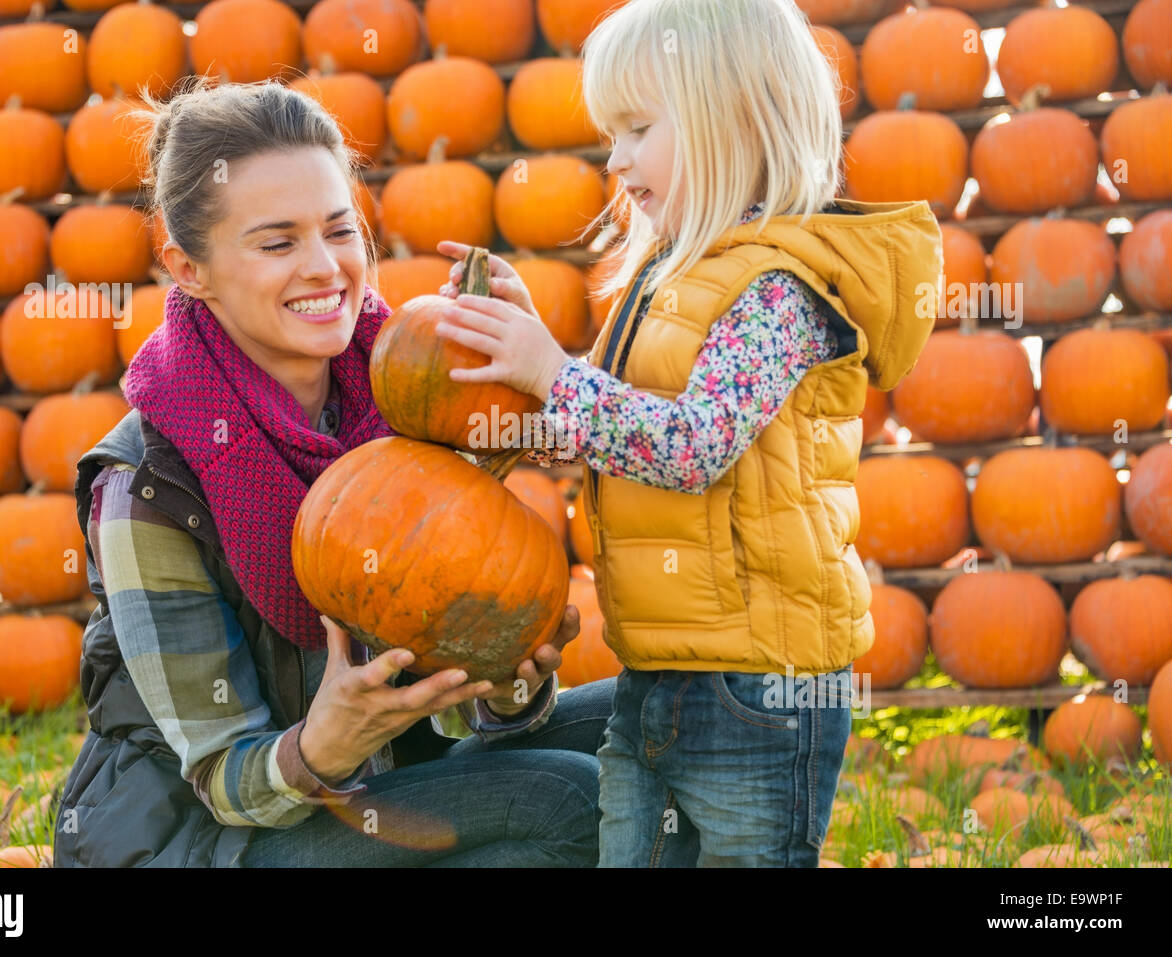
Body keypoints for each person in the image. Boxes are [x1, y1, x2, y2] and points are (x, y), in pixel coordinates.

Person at [53, 78, 614, 868]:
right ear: (189, 267)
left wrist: (506, 678)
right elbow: (223, 778)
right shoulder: (150, 484)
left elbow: (464, 715)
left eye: (340, 230)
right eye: (277, 243)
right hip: (216, 839)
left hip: (376, 793)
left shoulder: (405, 410)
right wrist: (326, 738)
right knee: (568, 801)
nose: (325, 268)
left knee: (654, 719)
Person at [433, 0, 942, 866]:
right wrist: (535, 370)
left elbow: (690, 446)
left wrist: (553, 372)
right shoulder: (673, 284)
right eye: (611, 132)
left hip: (758, 682)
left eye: (637, 127)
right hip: (664, 666)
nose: (616, 158)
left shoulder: (779, 290)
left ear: (731, 118)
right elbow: (617, 429)